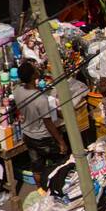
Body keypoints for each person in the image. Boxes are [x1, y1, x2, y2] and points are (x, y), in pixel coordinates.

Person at [16, 61, 67, 189]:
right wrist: (61, 142)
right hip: (43, 139)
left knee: (36, 166)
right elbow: (48, 123)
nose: (37, 69)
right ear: (33, 76)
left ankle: (40, 189)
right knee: (62, 161)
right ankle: (60, 186)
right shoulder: (40, 99)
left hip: (28, 136)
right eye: (35, 69)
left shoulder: (17, 91)